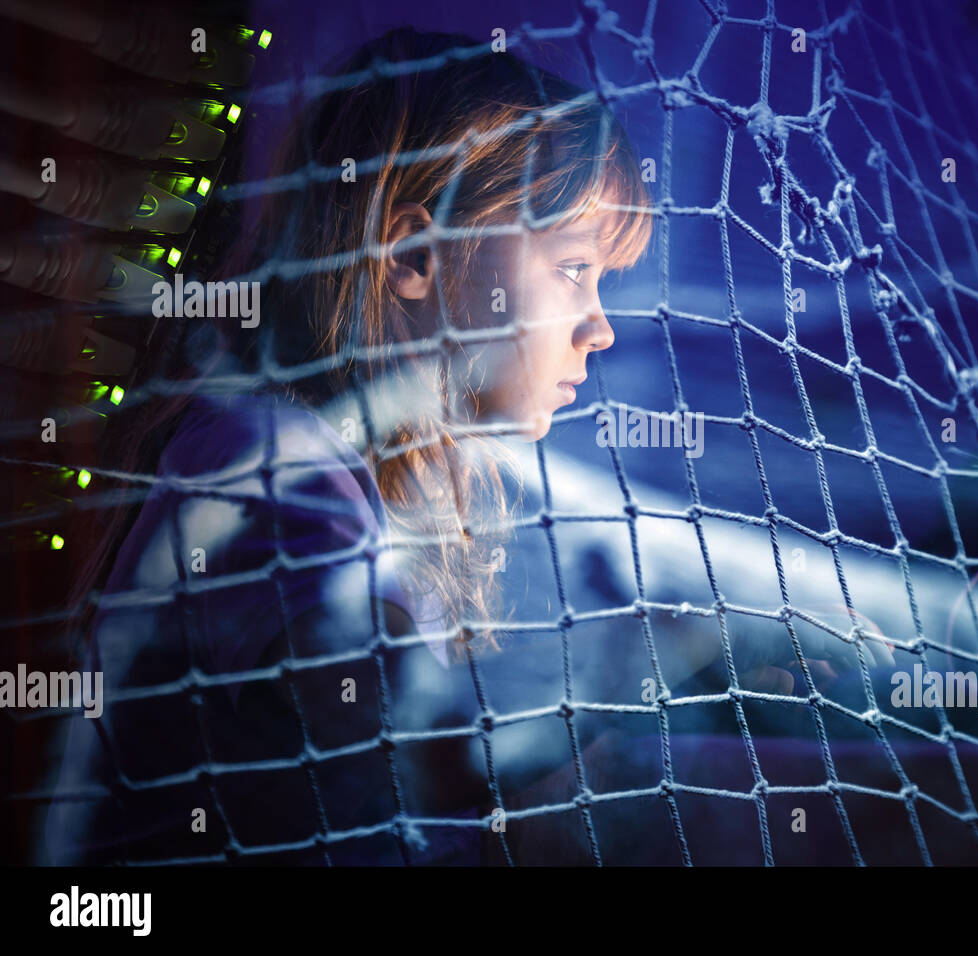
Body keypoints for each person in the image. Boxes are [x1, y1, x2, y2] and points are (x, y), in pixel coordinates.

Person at [44, 27, 653, 865]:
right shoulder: (272, 469)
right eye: (576, 268)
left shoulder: (361, 467)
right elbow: (398, 769)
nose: (601, 328)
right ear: (410, 255)